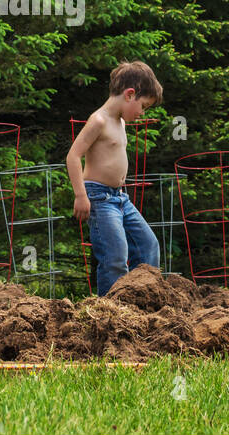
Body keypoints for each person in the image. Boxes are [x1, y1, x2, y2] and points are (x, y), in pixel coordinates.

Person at [67, 60, 163, 296]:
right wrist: (81, 195)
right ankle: (111, 311)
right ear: (130, 94)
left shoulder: (120, 121)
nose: (142, 114)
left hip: (121, 199)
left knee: (148, 245)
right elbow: (73, 155)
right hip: (99, 198)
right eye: (144, 106)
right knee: (115, 256)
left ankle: (146, 299)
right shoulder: (99, 120)